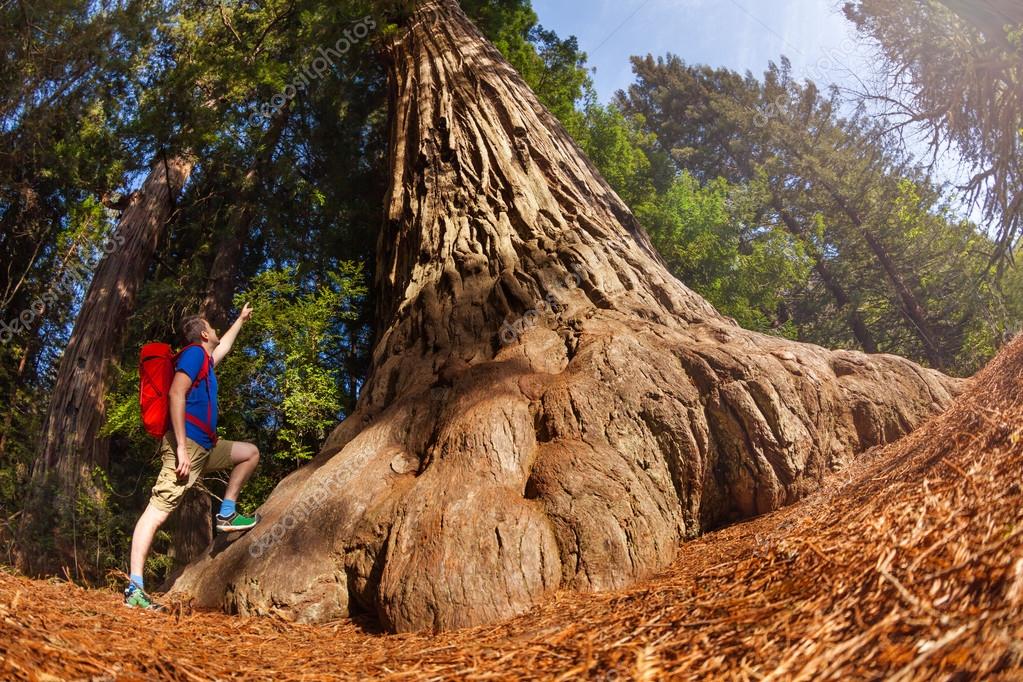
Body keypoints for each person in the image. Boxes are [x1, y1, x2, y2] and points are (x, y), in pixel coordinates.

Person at [124, 304, 261, 610]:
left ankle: (226, 512)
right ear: (202, 333)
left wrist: (239, 319)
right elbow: (175, 394)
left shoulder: (206, 361)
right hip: (187, 448)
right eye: (212, 327)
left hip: (207, 446)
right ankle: (134, 588)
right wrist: (182, 449)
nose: (215, 331)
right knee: (156, 513)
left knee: (249, 453)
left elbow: (224, 344)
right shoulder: (194, 354)